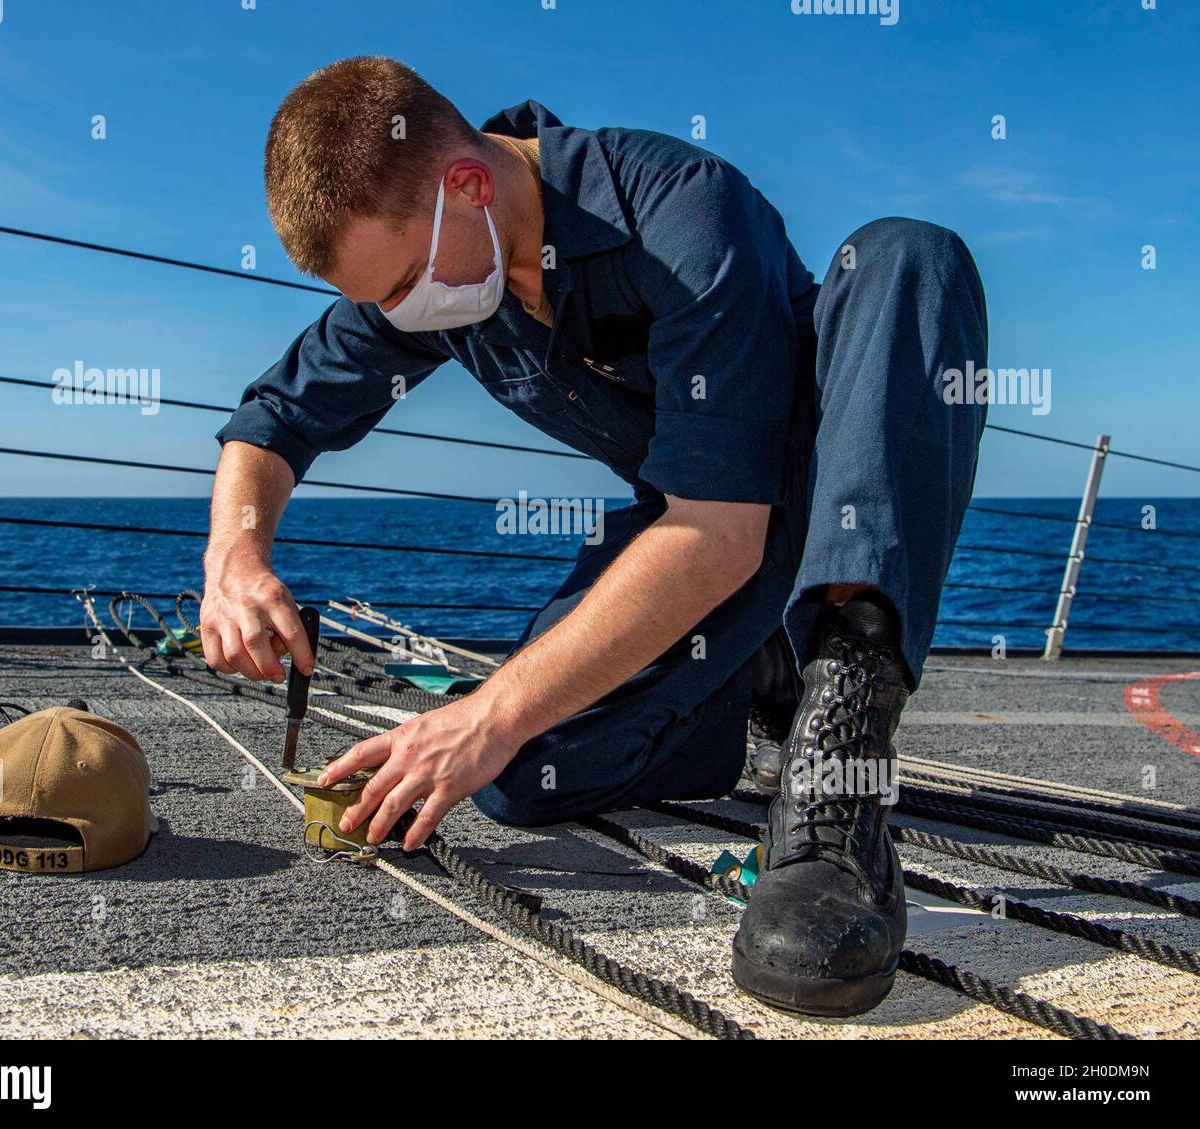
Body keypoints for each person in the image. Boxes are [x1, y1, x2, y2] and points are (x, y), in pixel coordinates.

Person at [201, 56, 988, 1017]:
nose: (403, 314)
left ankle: (836, 763)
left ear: (468, 183)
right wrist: (235, 557)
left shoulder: (680, 208)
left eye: (406, 283)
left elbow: (721, 530)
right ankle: (750, 670)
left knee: (906, 256)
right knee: (523, 773)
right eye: (383, 302)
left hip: (808, 507)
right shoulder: (454, 265)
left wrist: (485, 712)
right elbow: (277, 418)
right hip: (695, 542)